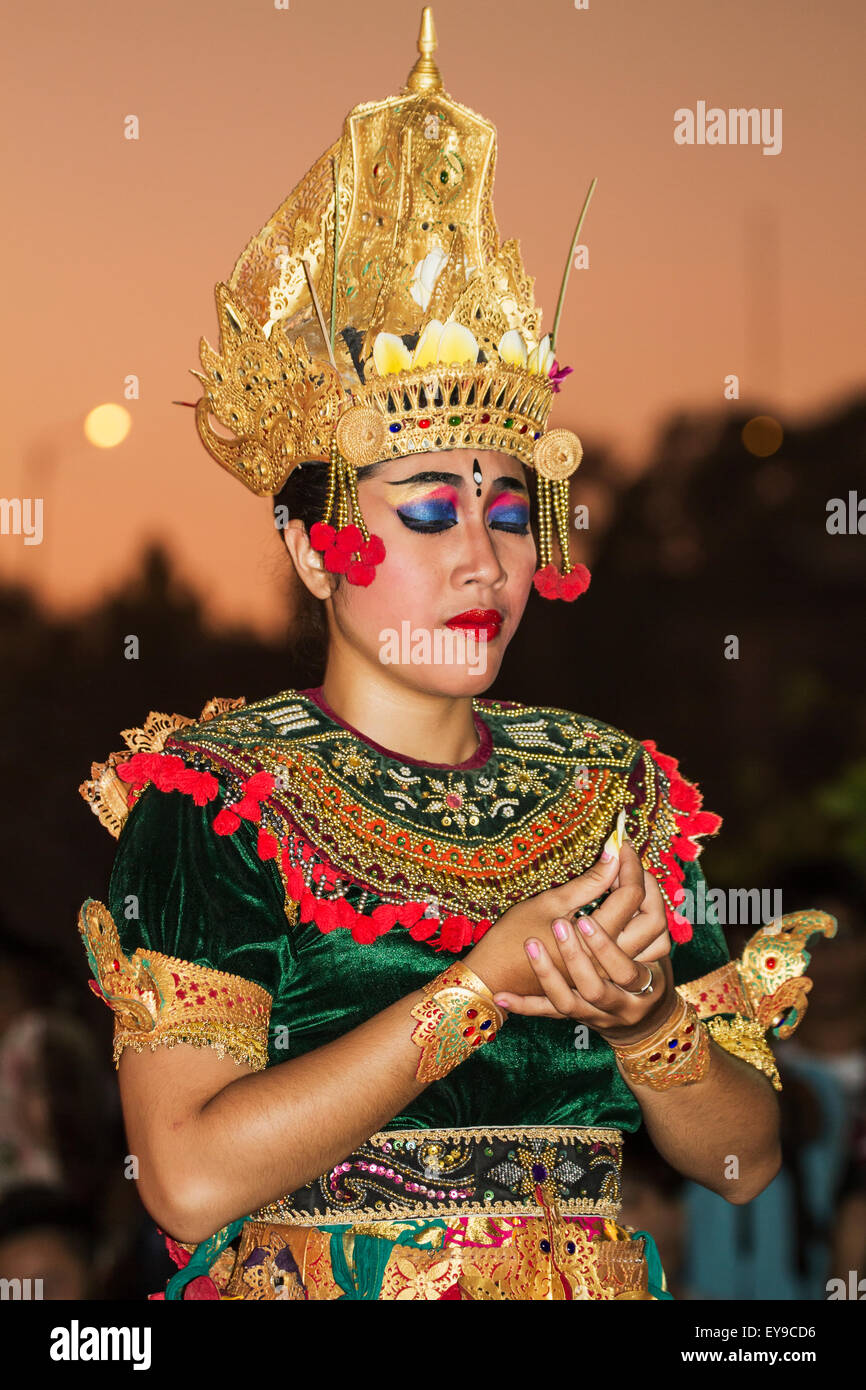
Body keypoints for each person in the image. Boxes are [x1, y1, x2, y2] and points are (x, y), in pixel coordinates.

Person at [75, 8, 835, 1301]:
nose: (481, 557)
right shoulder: (222, 795)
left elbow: (741, 1165)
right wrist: (477, 986)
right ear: (313, 545)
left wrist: (645, 1021)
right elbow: (187, 1178)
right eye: (427, 505)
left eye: (505, 508)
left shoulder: (606, 790)